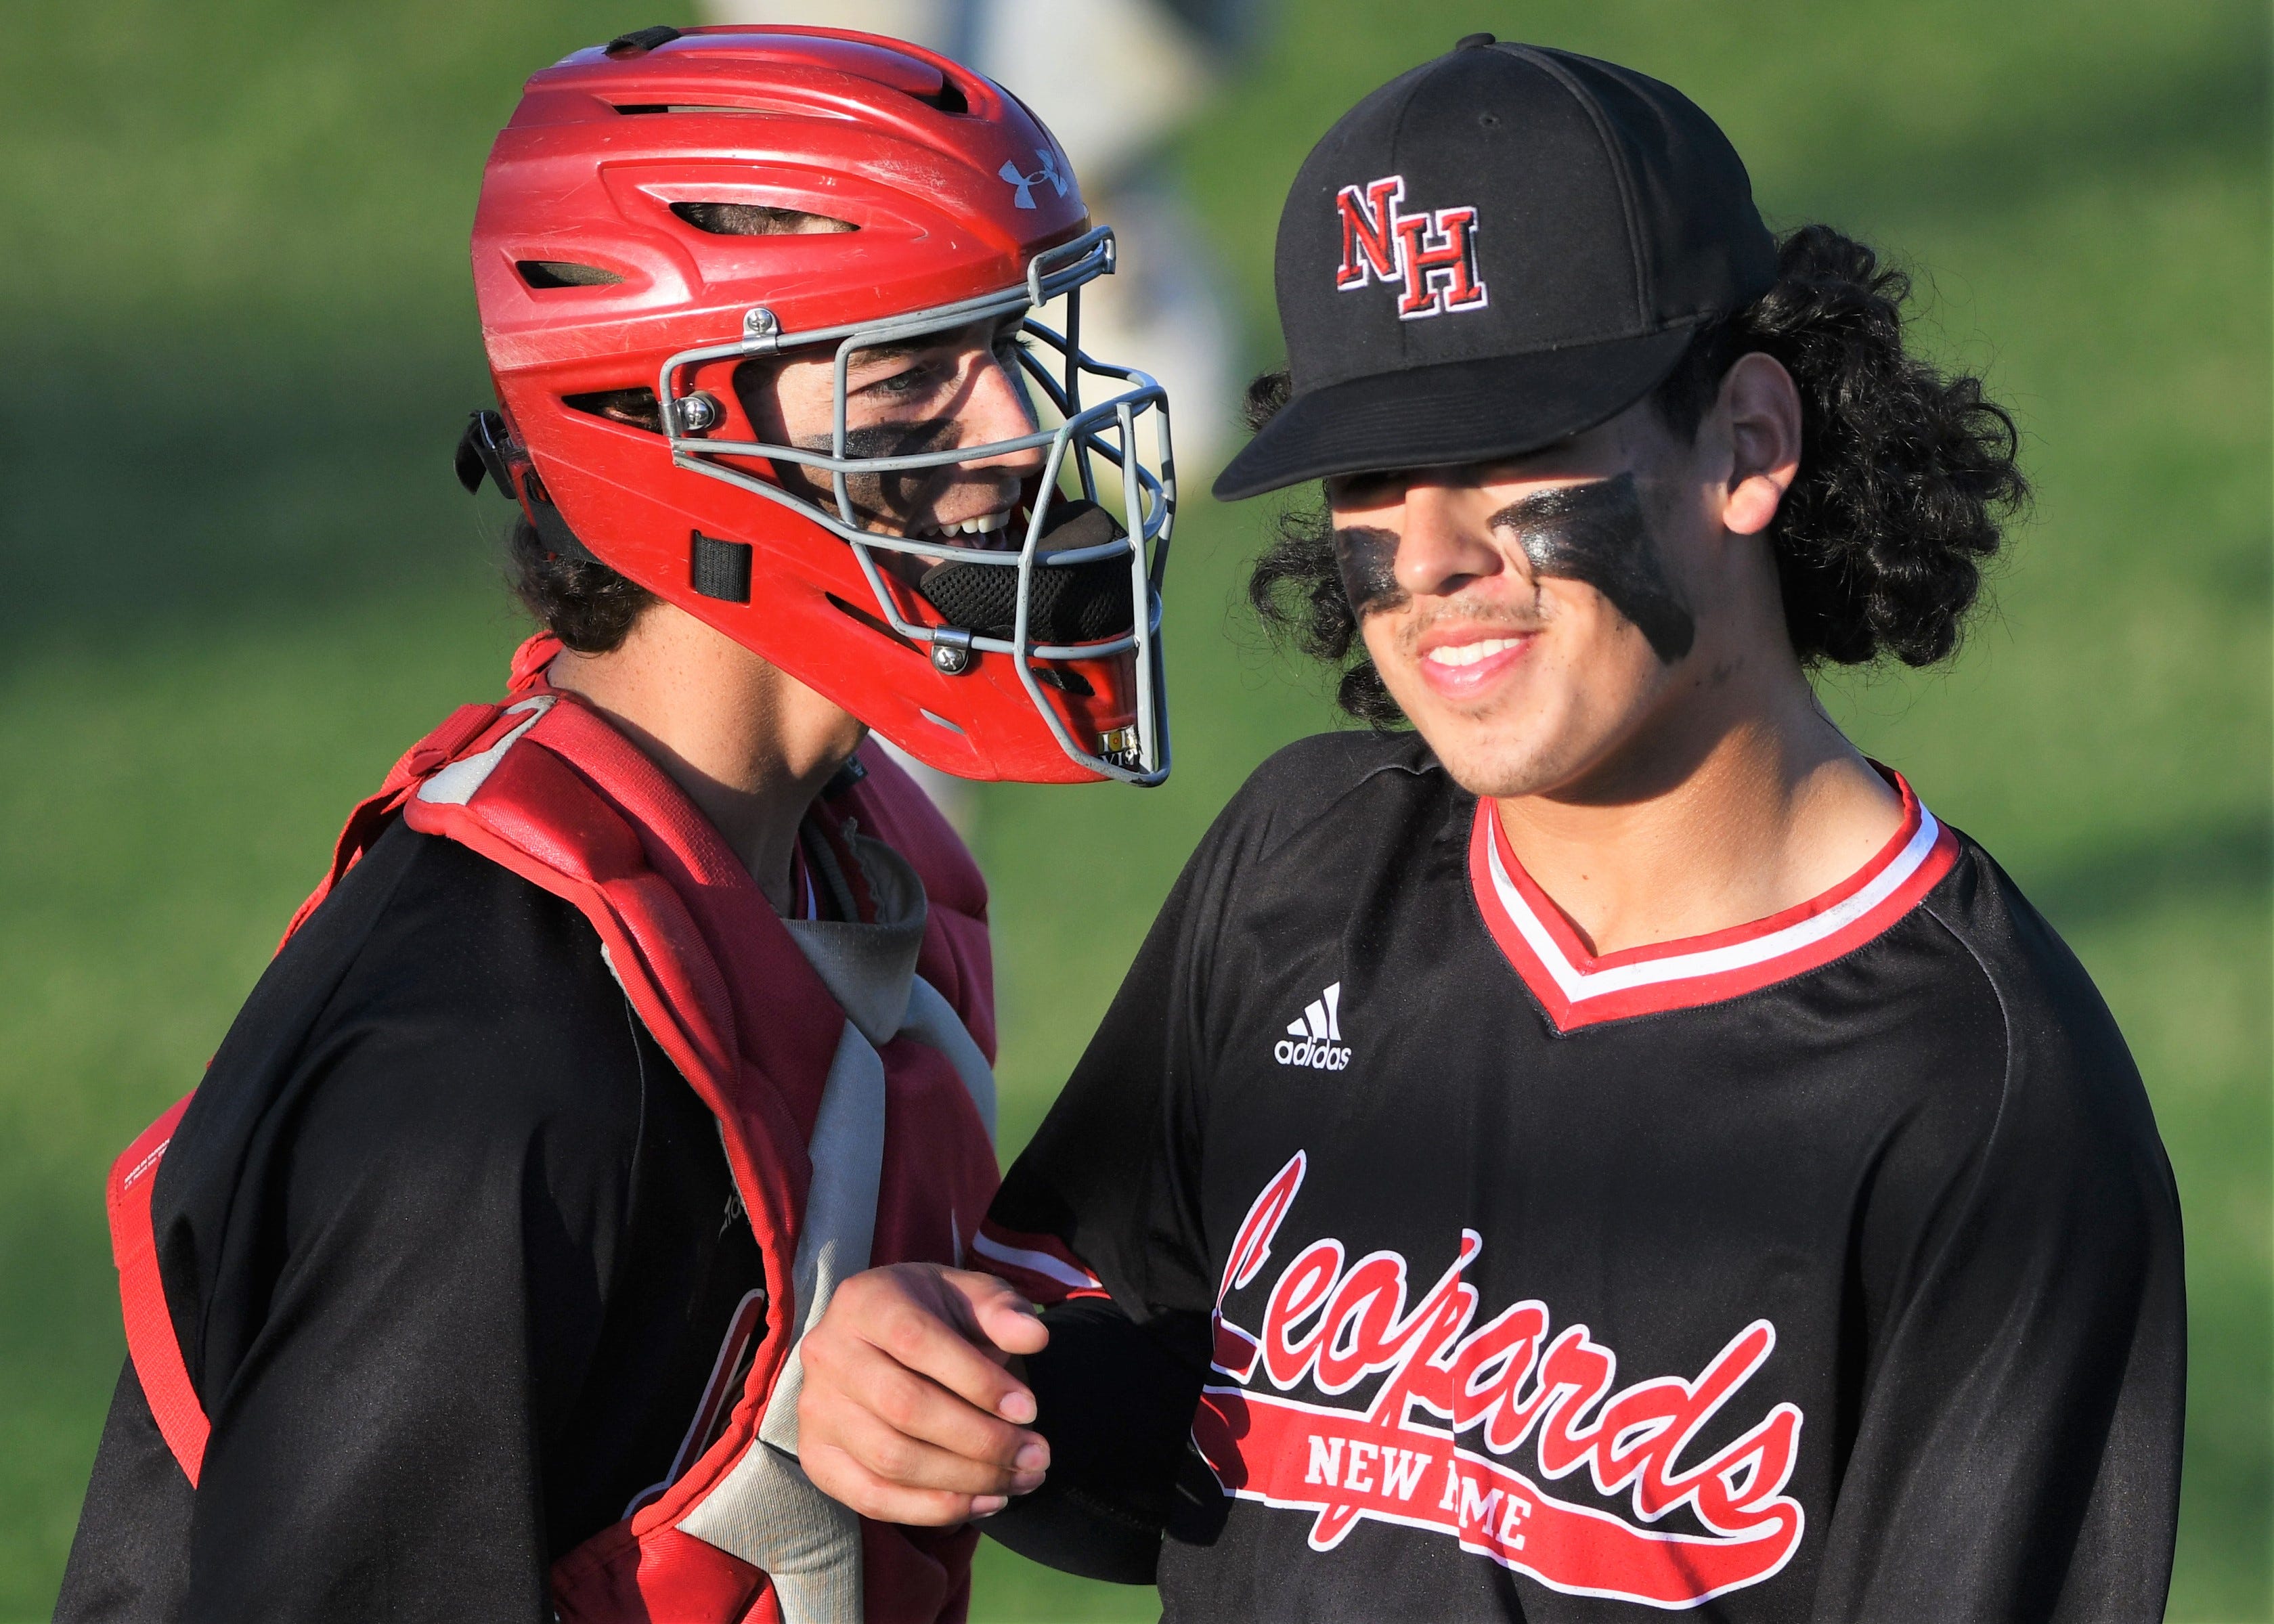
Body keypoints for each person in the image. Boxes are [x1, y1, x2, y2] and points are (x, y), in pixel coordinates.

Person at [791, 35, 2187, 1622]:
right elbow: (1151, 1436)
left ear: (1747, 441)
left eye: (1516, 448)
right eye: (1372, 471)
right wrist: (941, 1390)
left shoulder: (1980, 1096)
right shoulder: (1303, 872)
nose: (1430, 550)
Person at [56, 23, 1171, 1624]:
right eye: (921, 370)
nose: (1013, 438)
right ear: (682, 434)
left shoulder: (854, 866)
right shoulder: (493, 1067)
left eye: (1015, 342)